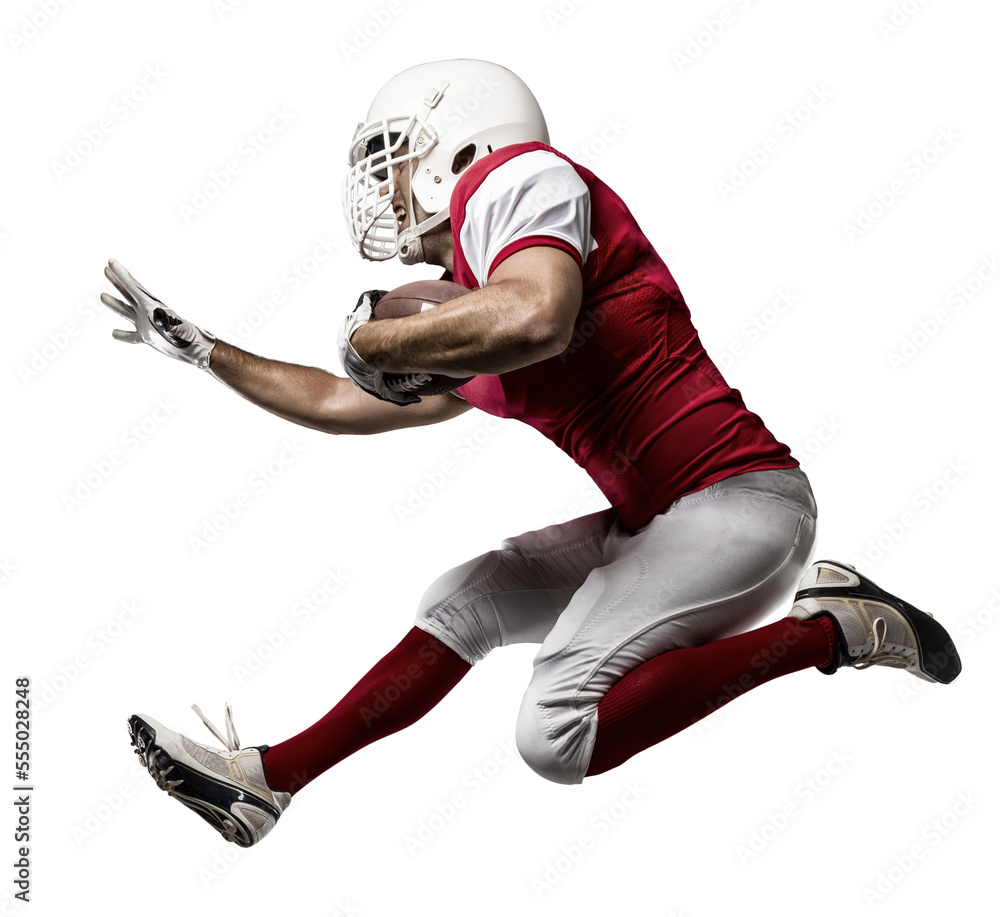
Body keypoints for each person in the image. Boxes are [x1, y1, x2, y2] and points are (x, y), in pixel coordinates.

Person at [106, 59, 961, 850]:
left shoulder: (516, 180)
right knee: (464, 601)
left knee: (553, 734)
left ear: (458, 141)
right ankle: (267, 783)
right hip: (658, 522)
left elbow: (538, 315)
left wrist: (377, 335)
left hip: (744, 501)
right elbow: (343, 399)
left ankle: (836, 628)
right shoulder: (477, 302)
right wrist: (205, 350)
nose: (385, 182)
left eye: (394, 155)